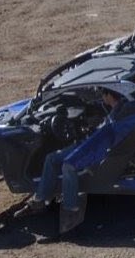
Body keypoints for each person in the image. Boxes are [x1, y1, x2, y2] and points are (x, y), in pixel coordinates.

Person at [16, 89, 122, 217]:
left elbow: (102, 136)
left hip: (93, 148)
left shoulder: (117, 114)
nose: (102, 98)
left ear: (109, 95)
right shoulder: (114, 109)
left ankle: (70, 208)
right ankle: (40, 200)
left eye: (103, 95)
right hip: (88, 143)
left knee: (68, 165)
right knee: (51, 158)